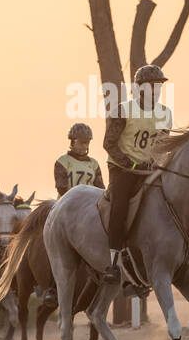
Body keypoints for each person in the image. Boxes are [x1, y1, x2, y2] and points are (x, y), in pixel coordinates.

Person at [101, 64, 172, 284]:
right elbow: (109, 144)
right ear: (140, 88)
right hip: (123, 168)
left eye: (159, 85)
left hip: (149, 168)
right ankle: (113, 261)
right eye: (152, 85)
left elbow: (163, 144)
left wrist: (156, 162)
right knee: (120, 206)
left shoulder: (164, 113)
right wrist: (129, 163)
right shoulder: (123, 110)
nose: (157, 90)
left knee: (176, 196)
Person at [55, 123, 104, 196]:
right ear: (72, 142)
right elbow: (61, 188)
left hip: (88, 203)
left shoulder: (94, 164)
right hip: (67, 202)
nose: (85, 146)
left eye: (87, 142)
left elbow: (100, 189)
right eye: (81, 142)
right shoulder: (63, 161)